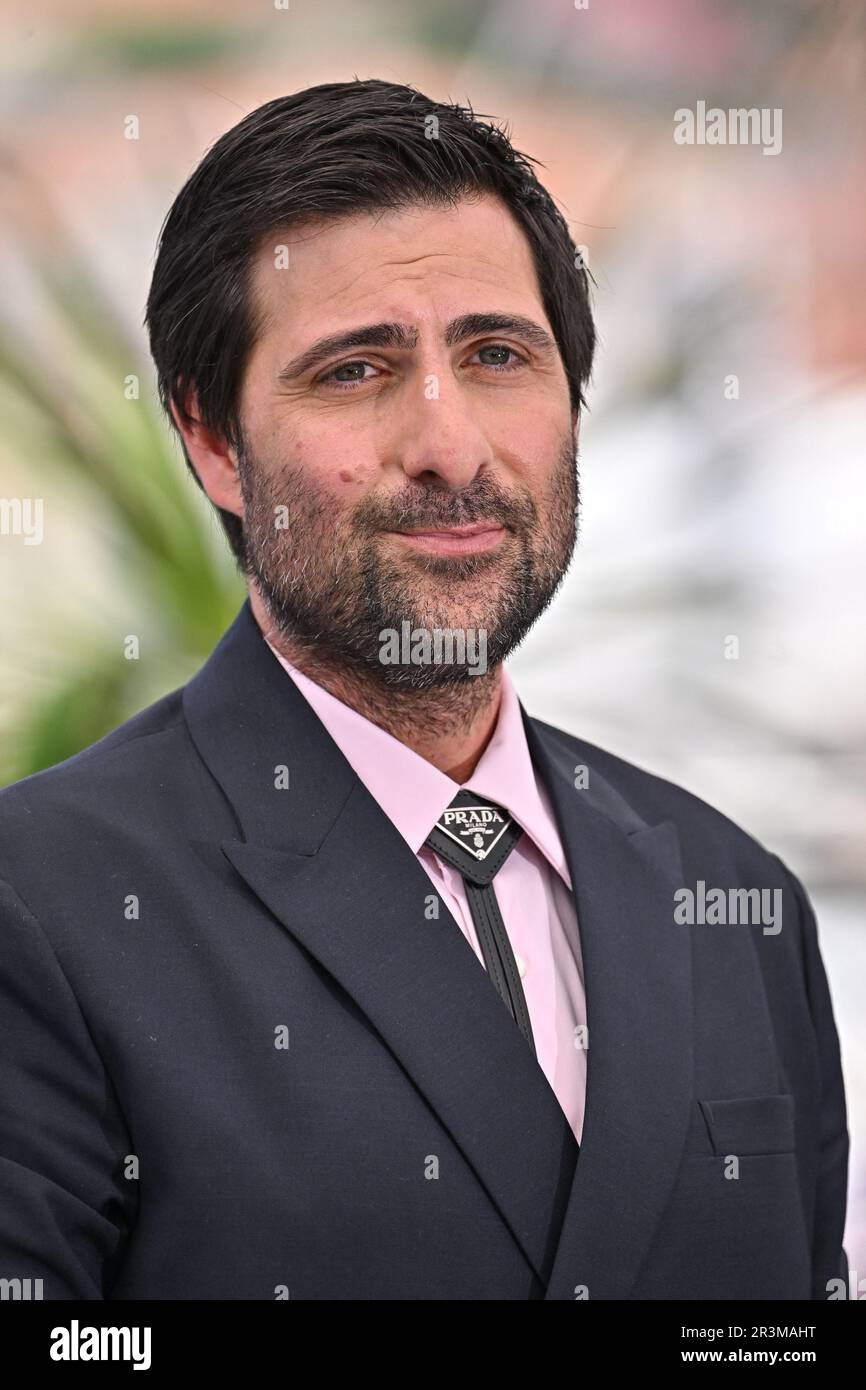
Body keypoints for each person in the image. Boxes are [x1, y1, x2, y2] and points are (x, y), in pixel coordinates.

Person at [0, 79, 849, 1301]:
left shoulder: (733, 899)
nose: (449, 443)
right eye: (354, 370)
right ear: (213, 441)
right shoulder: (46, 911)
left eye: (497, 354)